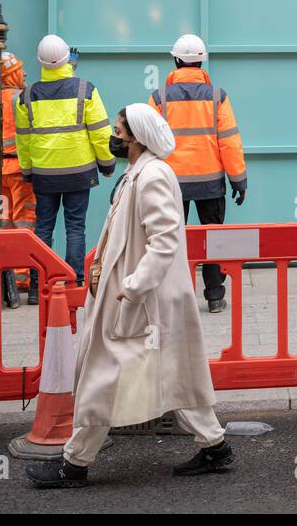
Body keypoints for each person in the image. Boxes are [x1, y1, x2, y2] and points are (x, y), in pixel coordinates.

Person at [27, 104, 233, 487]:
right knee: (175, 373)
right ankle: (216, 447)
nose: (114, 136)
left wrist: (133, 287)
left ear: (137, 136)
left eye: (119, 130)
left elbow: (165, 240)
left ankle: (74, 464)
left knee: (103, 377)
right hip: (142, 299)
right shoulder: (138, 173)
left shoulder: (152, 175)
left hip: (140, 301)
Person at [148, 34, 248, 313]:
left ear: (176, 60)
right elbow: (229, 140)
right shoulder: (218, 97)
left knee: (171, 239)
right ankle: (215, 296)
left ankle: (175, 297)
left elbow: (149, 142)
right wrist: (238, 179)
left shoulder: (159, 99)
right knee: (212, 238)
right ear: (202, 61)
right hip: (210, 183)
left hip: (171, 183)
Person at [13, 34, 114, 289]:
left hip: (44, 173)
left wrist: (27, 171)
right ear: (67, 59)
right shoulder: (85, 90)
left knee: (43, 227)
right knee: (75, 227)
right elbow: (101, 132)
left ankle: (37, 285)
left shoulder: (26, 97)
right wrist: (107, 164)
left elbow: (23, 140)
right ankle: (75, 281)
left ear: (41, 62)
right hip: (79, 172)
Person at [0, 51, 39, 305]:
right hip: (19, 168)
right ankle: (22, 276)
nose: (24, 73)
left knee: (5, 220)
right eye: (20, 70)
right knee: (26, 220)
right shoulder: (21, 98)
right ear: (10, 73)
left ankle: (6, 272)